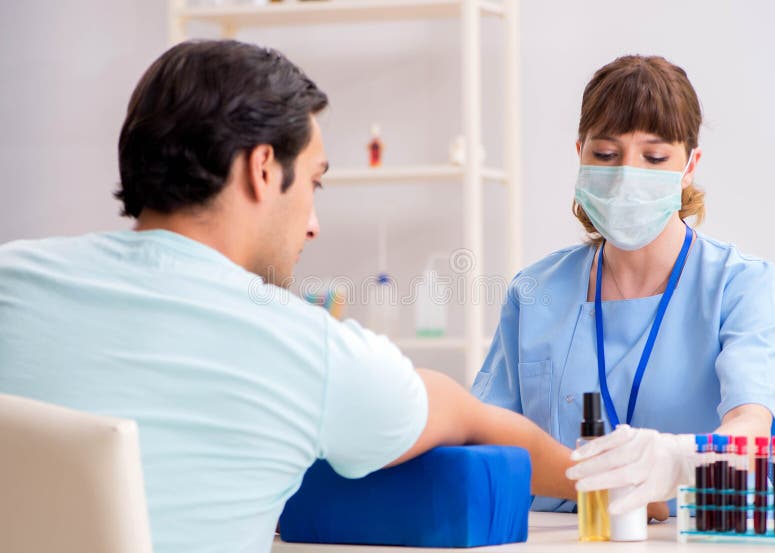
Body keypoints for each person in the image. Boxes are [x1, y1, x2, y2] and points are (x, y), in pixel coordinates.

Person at [0, 40, 576, 553]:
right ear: (263, 168)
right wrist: (610, 486)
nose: (313, 224)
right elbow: (465, 416)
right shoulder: (309, 351)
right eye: (313, 182)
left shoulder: (13, 277)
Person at [472, 55, 775, 517]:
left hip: (680, 539)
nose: (625, 176)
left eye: (654, 158)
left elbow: (752, 427)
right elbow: (485, 437)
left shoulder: (737, 285)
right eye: (605, 155)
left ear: (690, 165)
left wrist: (679, 460)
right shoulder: (534, 291)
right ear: (580, 155)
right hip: (550, 538)